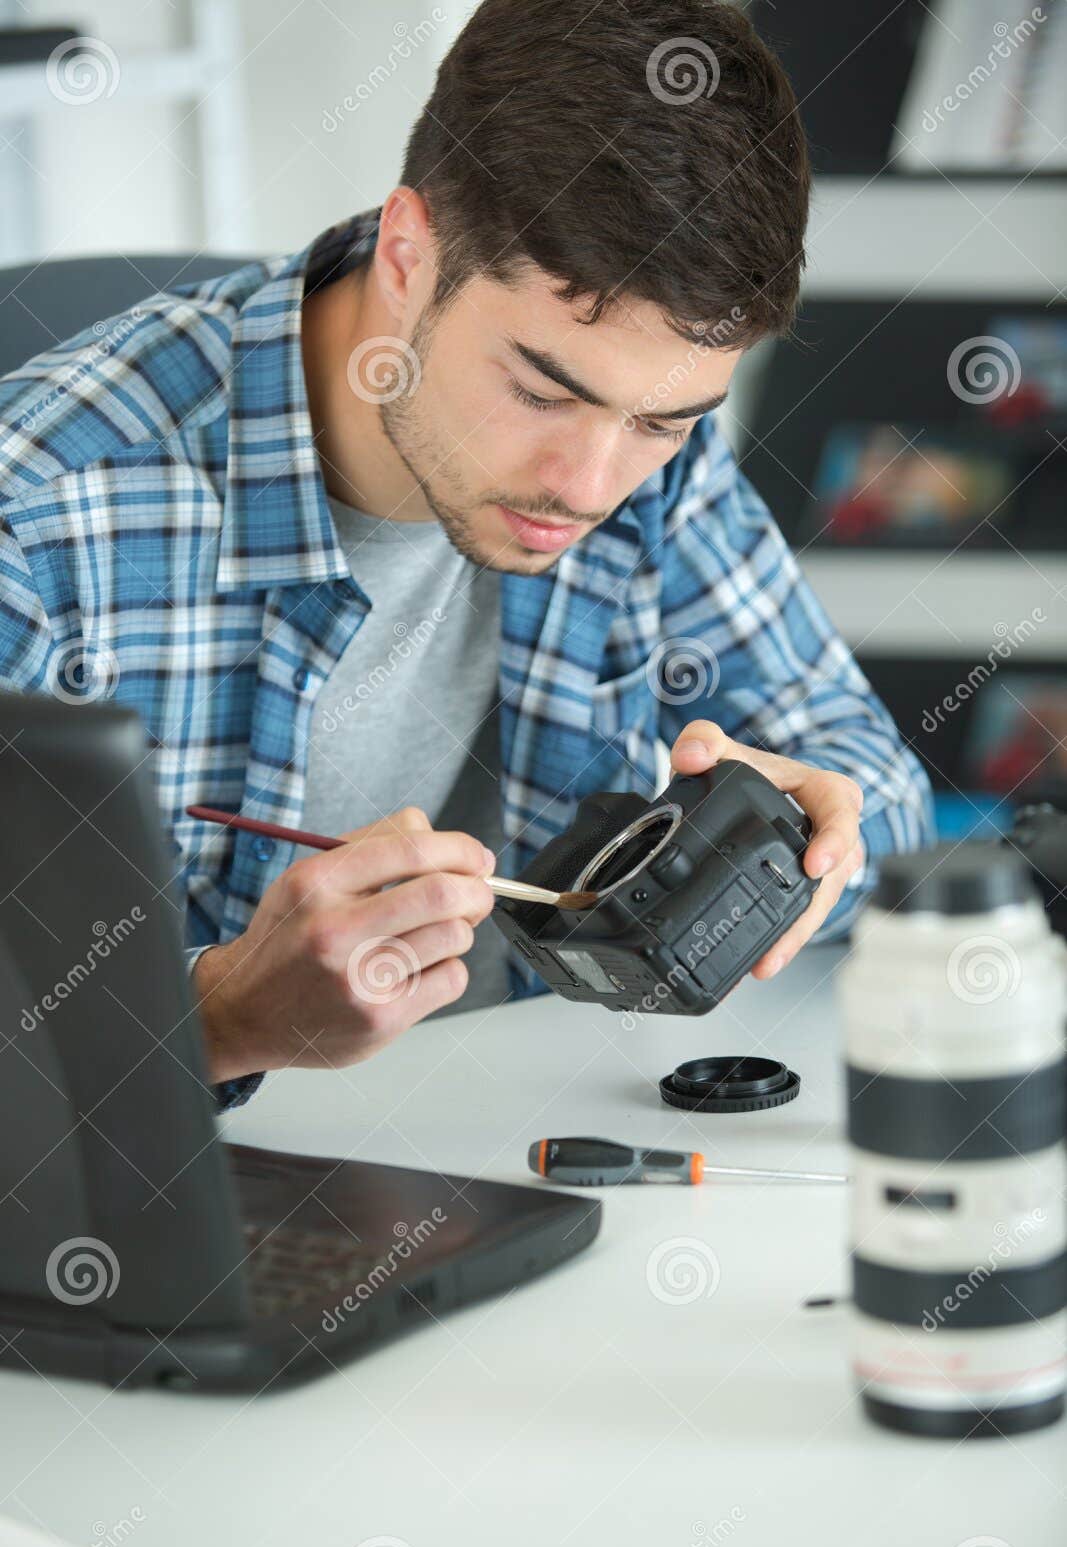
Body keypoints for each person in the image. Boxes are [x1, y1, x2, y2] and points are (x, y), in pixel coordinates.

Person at [0, 0, 934, 1109]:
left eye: (664, 421)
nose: (587, 487)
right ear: (405, 253)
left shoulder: (643, 448)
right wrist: (218, 1019)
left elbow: (875, 785)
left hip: (522, 1141)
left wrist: (808, 832)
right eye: (540, 390)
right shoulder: (42, 516)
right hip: (161, 1218)